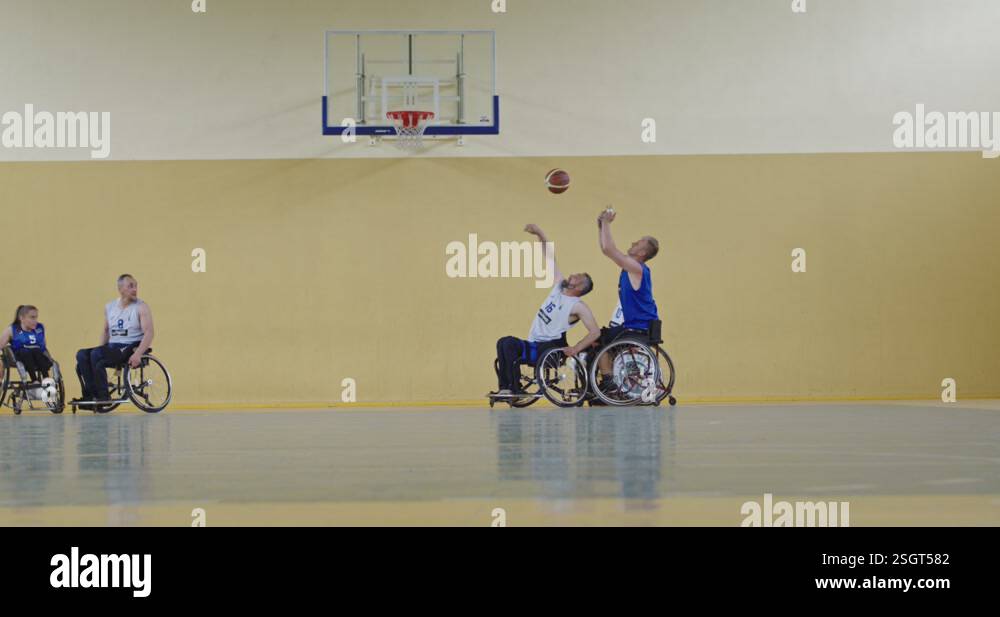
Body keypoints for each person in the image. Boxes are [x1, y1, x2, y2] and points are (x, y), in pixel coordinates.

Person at [494, 224, 601, 397]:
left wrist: (574, 349)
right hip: (535, 343)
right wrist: (539, 233)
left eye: (577, 276)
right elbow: (550, 257)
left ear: (580, 287)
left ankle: (513, 388)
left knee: (508, 344)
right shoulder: (559, 287)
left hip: (548, 348)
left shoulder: (577, 305)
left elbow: (595, 332)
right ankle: (506, 387)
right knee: (503, 342)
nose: (572, 274)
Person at [595, 208, 660, 385]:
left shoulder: (637, 268)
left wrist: (607, 223)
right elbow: (605, 248)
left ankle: (608, 383)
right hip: (635, 326)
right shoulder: (632, 268)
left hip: (638, 328)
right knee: (598, 337)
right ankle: (605, 381)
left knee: (596, 339)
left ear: (642, 253)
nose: (633, 242)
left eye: (638, 243)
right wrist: (601, 226)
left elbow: (609, 249)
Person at [73, 274, 155, 410]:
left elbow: (149, 332)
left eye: (136, 286)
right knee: (81, 355)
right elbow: (106, 331)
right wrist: (99, 350)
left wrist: (138, 354)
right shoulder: (110, 307)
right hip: (113, 347)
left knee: (96, 355)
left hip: (130, 346)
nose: (135, 289)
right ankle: (90, 395)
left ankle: (103, 396)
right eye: (130, 286)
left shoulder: (141, 307)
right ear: (120, 289)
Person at [0, 305, 58, 392]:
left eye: (36, 317)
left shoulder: (40, 328)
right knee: (26, 352)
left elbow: (43, 347)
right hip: (21, 356)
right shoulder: (12, 330)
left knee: (37, 351)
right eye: (32, 317)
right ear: (22, 318)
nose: (35, 321)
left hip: (38, 356)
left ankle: (47, 379)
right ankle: (34, 380)